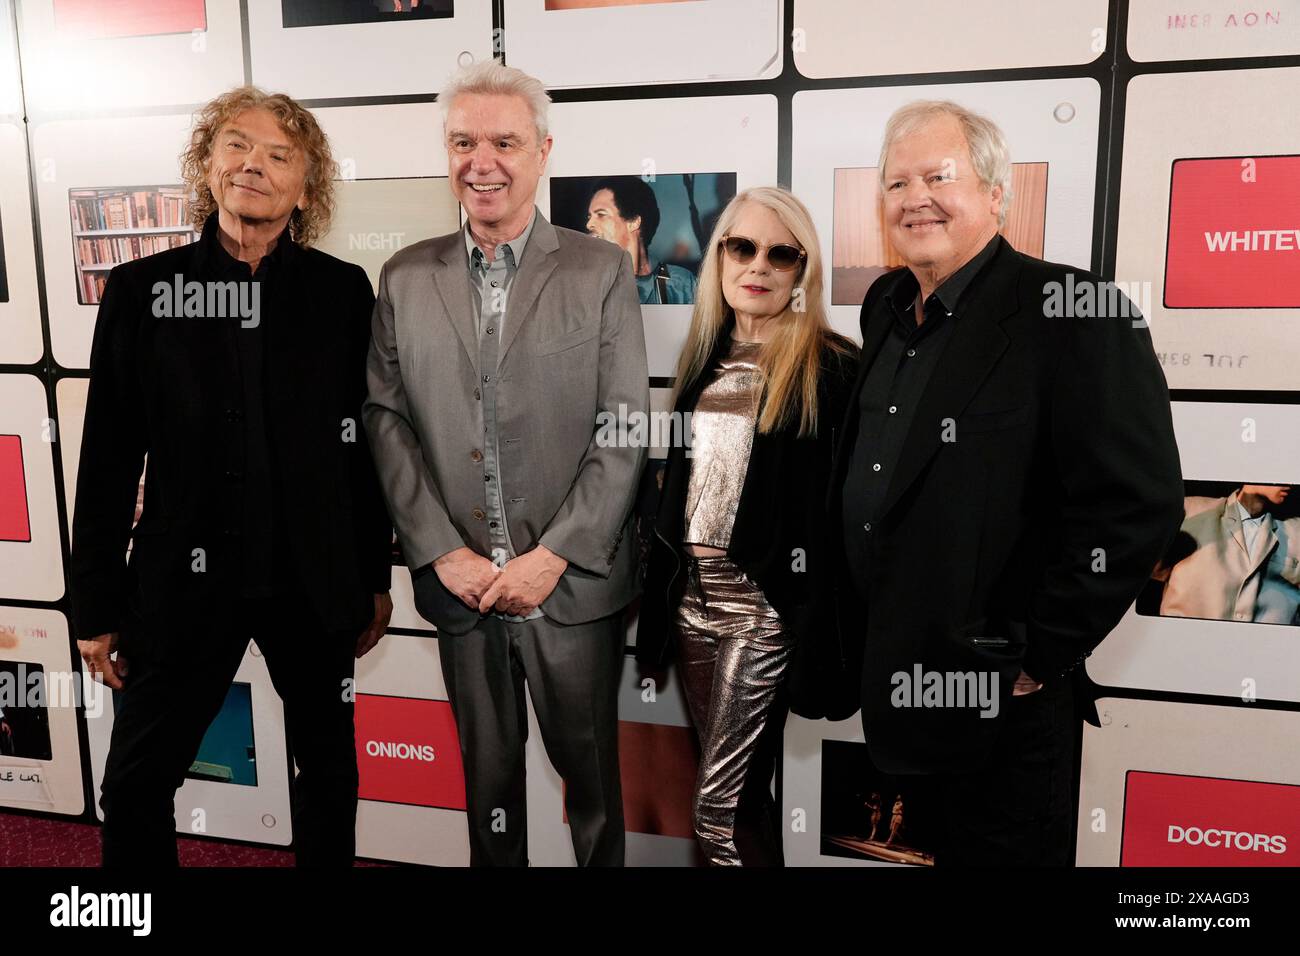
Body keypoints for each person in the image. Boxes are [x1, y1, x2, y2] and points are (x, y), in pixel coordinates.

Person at [832, 100, 1184, 865]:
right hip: (904, 696)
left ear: (997, 193)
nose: (914, 197)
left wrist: (1033, 659)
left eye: (938, 176)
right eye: (896, 183)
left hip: (1004, 708)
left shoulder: (1074, 312)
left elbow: (1135, 504)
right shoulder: (887, 310)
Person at [70, 86, 394, 867]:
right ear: (207, 164)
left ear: (306, 188)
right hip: (181, 586)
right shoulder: (142, 292)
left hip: (311, 585)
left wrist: (372, 575)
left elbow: (365, 446)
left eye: (280, 155)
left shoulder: (342, 291)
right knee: (137, 784)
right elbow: (109, 454)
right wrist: (94, 605)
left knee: (329, 776)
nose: (255, 163)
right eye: (237, 145)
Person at [363, 61, 648, 867]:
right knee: (487, 792)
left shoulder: (598, 271)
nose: (481, 161)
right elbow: (385, 418)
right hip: (461, 593)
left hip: (571, 588)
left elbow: (622, 426)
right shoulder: (407, 275)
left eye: (504, 141)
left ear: (543, 150)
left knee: (592, 791)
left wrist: (552, 555)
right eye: (462, 141)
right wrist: (440, 550)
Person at [638, 187, 859, 866]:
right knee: (741, 799)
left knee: (715, 811)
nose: (757, 265)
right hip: (692, 604)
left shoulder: (833, 367)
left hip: (761, 611)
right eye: (742, 246)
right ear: (720, 256)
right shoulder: (704, 357)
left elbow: (840, 516)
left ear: (802, 271)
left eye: (780, 253)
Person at [1159, 485, 1300, 624]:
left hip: (1264, 643)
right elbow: (1149, 566)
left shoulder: (1294, 531)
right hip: (1186, 639)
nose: (1288, 484)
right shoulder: (1191, 510)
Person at [586, 176, 698, 304]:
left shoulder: (681, 285)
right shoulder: (587, 287)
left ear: (634, 222)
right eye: (589, 216)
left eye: (601, 215)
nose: (589, 224)